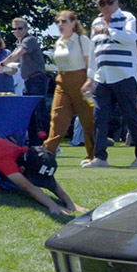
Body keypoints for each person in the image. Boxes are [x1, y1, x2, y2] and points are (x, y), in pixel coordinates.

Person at [80, 0, 137, 169]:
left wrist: (108, 30)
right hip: (102, 77)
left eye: (110, 2)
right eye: (102, 3)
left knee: (131, 116)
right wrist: (90, 77)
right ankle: (100, 158)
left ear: (116, 2)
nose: (107, 6)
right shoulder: (96, 22)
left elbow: (131, 38)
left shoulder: (127, 17)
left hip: (124, 76)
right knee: (99, 117)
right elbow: (93, 52)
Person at [0, 135, 83, 215]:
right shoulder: (8, 161)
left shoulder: (32, 157)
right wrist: (52, 205)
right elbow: (28, 187)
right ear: (22, 168)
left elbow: (51, 183)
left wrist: (69, 203)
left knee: (13, 183)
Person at [43, 11, 95, 163]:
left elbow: (90, 62)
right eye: (57, 22)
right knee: (57, 117)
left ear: (73, 23)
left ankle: (94, 155)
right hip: (62, 81)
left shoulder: (82, 40)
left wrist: (90, 81)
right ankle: (47, 153)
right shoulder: (59, 42)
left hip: (81, 81)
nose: (60, 25)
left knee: (88, 120)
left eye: (64, 21)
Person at [1, 17, 49, 145]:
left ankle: (48, 141)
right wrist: (4, 68)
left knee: (39, 111)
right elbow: (17, 64)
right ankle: (34, 143)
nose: (17, 31)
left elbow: (17, 55)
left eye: (20, 28)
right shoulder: (20, 44)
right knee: (31, 113)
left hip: (37, 79)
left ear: (27, 29)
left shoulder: (29, 40)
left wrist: (2, 64)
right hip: (29, 81)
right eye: (15, 29)